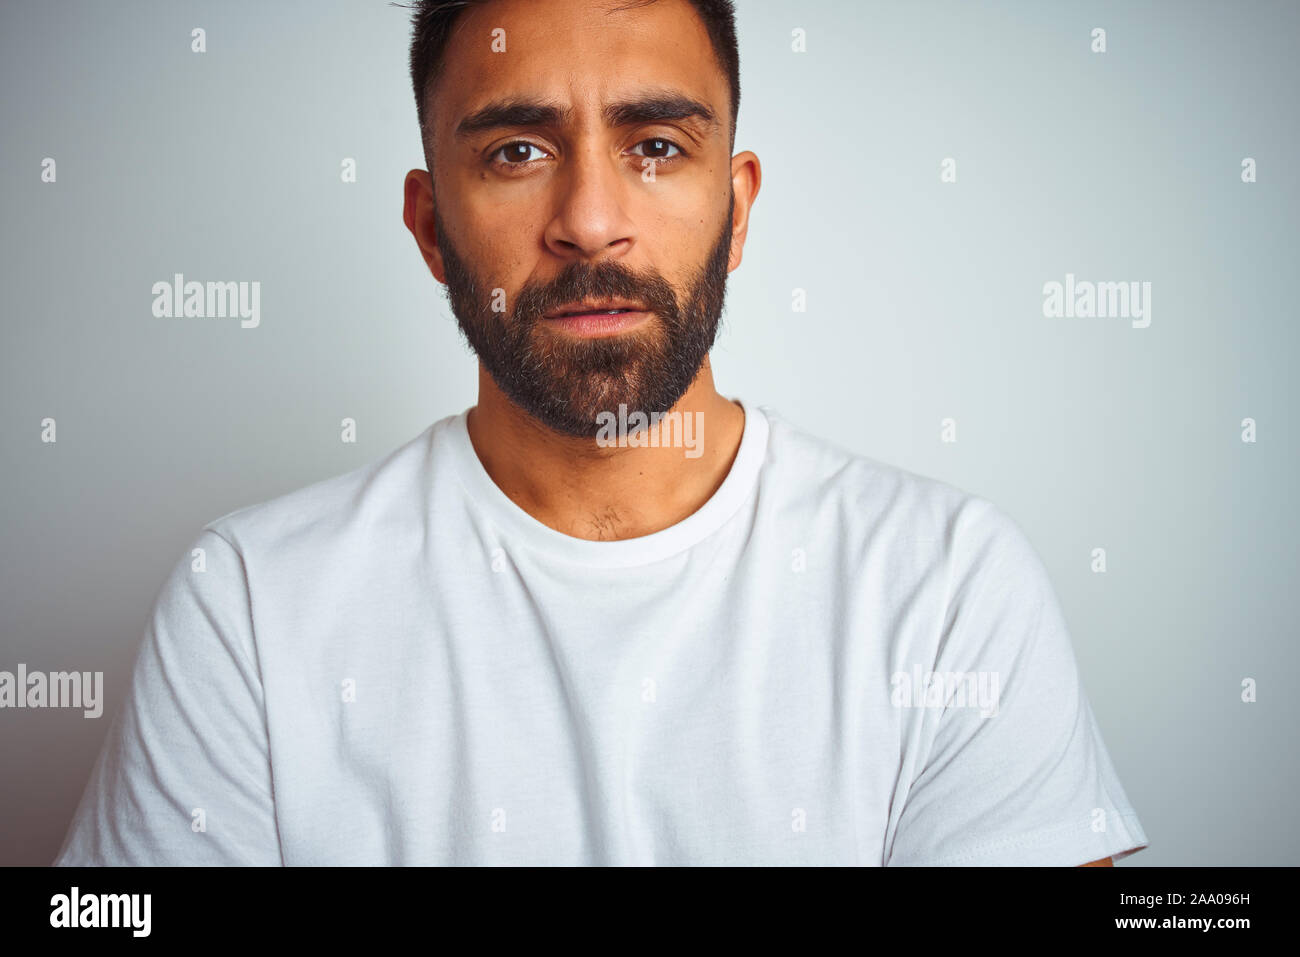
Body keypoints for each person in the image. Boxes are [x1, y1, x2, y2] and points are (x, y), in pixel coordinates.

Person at [54, 0, 1147, 866]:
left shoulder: (946, 589)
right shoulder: (248, 605)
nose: (588, 218)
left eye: (658, 145)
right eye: (518, 151)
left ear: (739, 208)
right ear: (432, 228)